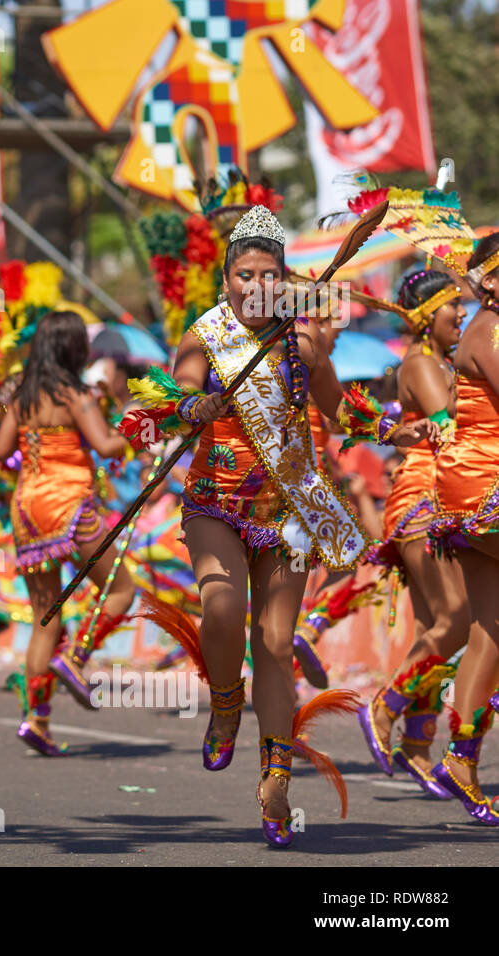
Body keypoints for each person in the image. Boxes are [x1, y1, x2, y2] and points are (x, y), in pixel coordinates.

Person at [129, 205, 437, 847]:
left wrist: (392, 430)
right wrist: (193, 402)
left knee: (273, 643)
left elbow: (343, 410)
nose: (255, 287)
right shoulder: (206, 337)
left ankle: (276, 778)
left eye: (268, 276)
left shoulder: (301, 345)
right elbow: (170, 390)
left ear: (282, 283)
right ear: (227, 281)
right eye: (244, 275)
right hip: (216, 502)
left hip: (289, 514)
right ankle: (222, 702)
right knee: (220, 606)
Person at [0, 310, 137, 753]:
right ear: (74, 349)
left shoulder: (22, 396)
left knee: (44, 619)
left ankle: (37, 719)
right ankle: (76, 658)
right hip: (69, 503)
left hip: (28, 508)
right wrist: (141, 426)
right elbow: (107, 444)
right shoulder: (77, 393)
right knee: (120, 589)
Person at [356, 270, 469, 797]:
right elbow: (448, 429)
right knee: (456, 620)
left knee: (435, 627)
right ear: (427, 316)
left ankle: (420, 747)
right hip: (424, 498)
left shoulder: (440, 361)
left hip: (436, 497)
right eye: (454, 308)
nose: (462, 315)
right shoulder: (423, 363)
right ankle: (385, 706)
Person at [428, 233, 499, 824]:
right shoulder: (492, 329)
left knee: (490, 628)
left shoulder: (481, 326)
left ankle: (461, 756)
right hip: (485, 483)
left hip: (465, 485)